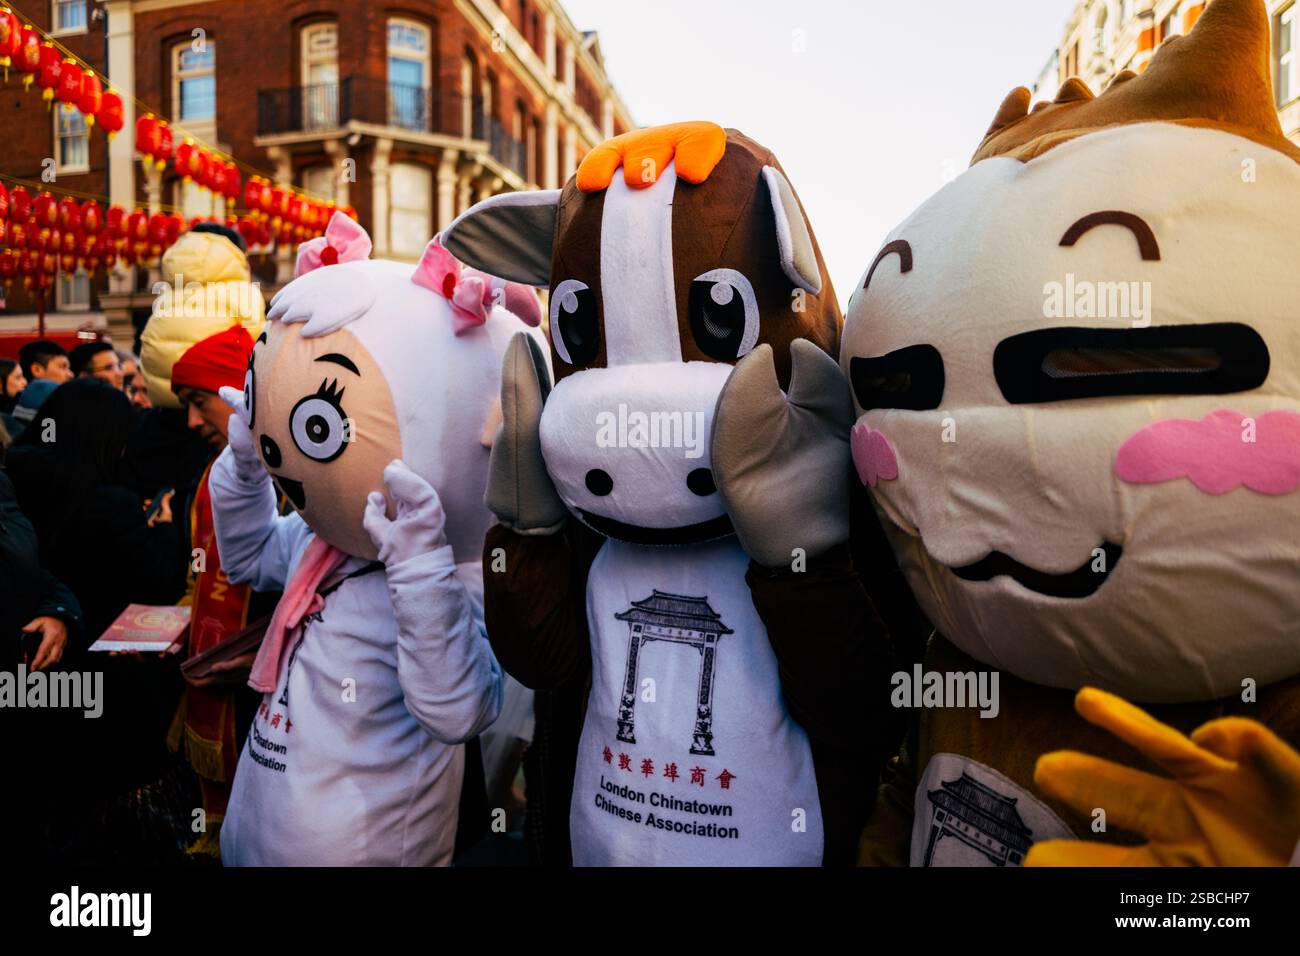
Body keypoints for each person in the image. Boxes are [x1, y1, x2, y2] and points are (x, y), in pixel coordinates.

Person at [165, 323, 276, 858]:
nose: (191, 421)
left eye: (197, 402)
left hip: (273, 702)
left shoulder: (295, 475)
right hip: (218, 677)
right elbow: (199, 575)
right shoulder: (211, 476)